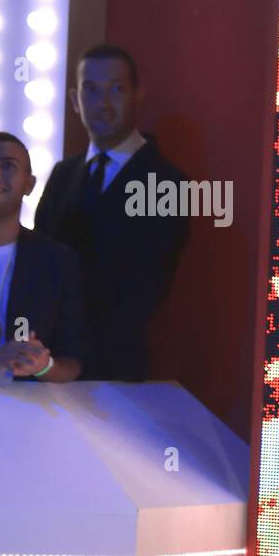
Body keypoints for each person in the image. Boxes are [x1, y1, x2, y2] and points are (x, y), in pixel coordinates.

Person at [33, 44, 188, 381]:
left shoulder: (167, 183)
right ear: (75, 100)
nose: (102, 103)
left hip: (116, 372)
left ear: (137, 95)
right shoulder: (62, 174)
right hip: (50, 368)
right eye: (91, 90)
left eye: (116, 89)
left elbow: (146, 289)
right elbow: (39, 266)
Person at [0, 132, 84, 382]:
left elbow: (73, 361)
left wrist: (43, 366)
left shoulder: (58, 261)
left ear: (29, 184)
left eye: (8, 165)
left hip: (31, 411)